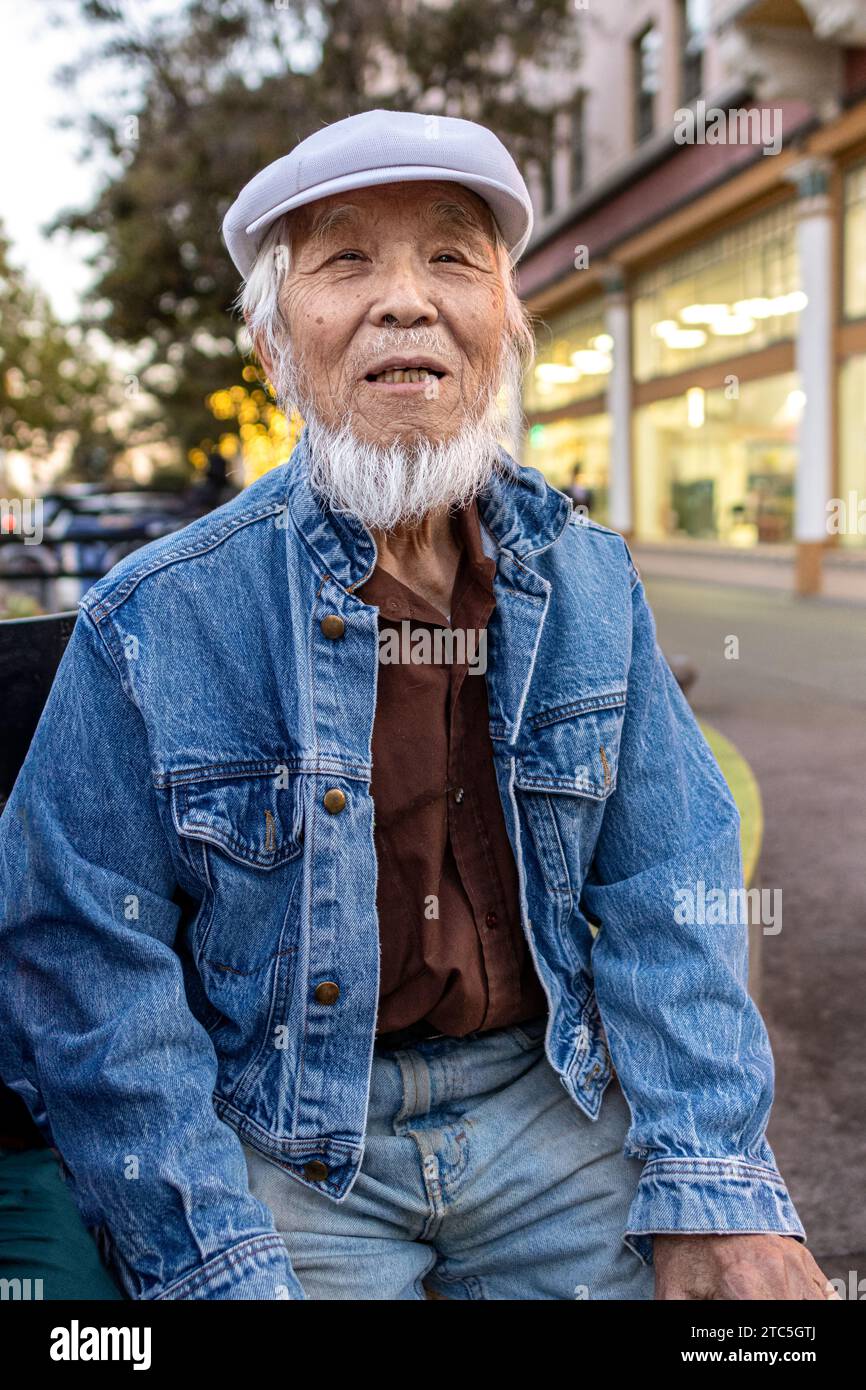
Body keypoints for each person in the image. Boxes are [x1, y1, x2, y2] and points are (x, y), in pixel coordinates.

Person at [0, 109, 835, 1301]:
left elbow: (669, 887)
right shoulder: (154, 619)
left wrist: (712, 1181)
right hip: (285, 1133)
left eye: (452, 258)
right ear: (275, 342)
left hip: (547, 1104)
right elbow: (82, 958)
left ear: (504, 323)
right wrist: (209, 1251)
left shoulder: (590, 580)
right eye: (345, 262)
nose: (405, 301)